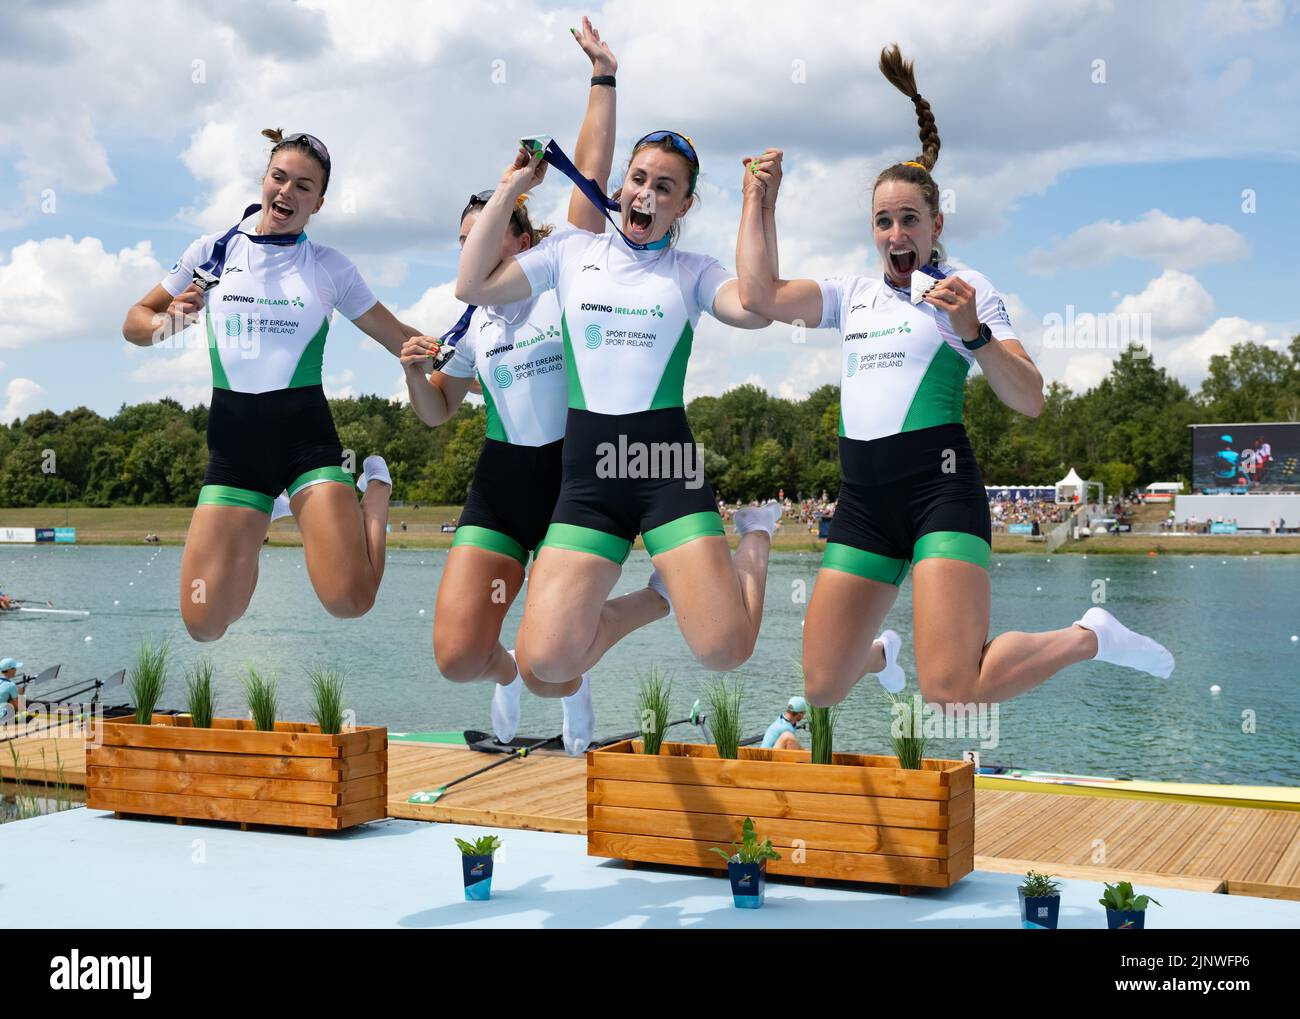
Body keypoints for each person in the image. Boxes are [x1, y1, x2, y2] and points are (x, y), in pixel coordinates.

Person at [736, 45, 1174, 706]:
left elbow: (1030, 398)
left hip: (938, 492)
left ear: (936, 225)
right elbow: (760, 295)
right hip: (863, 500)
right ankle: (882, 653)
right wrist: (758, 200)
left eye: (909, 218)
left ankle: (1089, 635)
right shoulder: (850, 293)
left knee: (950, 689)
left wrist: (975, 333)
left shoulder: (964, 290)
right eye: (882, 221)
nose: (894, 232)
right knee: (822, 687)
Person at [402, 19, 664, 754]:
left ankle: (642, 610)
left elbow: (589, 163)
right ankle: (509, 674)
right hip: (503, 483)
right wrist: (412, 374)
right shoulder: (469, 327)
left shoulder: (563, 272)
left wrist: (603, 76)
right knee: (457, 655)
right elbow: (437, 412)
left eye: (484, 231)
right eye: (462, 241)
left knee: (560, 667)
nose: (470, 250)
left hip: (572, 477)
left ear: (519, 235)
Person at [456, 116, 783, 689]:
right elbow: (472, 286)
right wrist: (511, 187)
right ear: (621, 186)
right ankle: (653, 600)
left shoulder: (692, 271)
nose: (646, 194)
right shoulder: (570, 252)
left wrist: (759, 204)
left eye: (665, 188)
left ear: (682, 207)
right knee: (548, 662)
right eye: (639, 178)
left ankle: (756, 533)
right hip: (589, 480)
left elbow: (755, 307)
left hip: (665, 471)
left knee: (725, 651)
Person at [123, 129, 438, 641]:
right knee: (205, 623)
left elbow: (396, 335)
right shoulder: (212, 253)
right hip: (234, 447)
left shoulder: (329, 267)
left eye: (304, 186)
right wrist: (168, 324)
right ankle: (262, 519)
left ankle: (374, 488)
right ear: (264, 180)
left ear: (319, 202)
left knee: (349, 602)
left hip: (305, 443)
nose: (287, 192)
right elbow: (134, 322)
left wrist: (464, 367)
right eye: (279, 178)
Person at [0, 658, 25, 723]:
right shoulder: (11, 685)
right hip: (3, 718)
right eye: (15, 668)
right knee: (26, 715)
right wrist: (21, 694)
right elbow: (19, 708)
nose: (16, 670)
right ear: (10, 670)